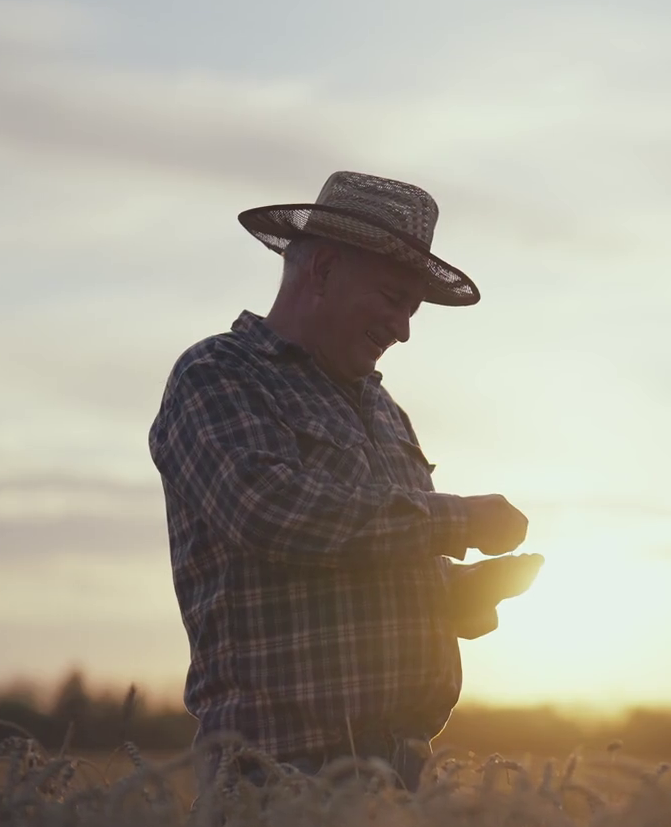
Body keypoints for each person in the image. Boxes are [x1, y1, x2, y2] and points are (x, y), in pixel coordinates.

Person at [149, 171, 542, 789]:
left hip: (402, 774)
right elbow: (270, 511)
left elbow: (369, 553)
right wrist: (459, 520)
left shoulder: (385, 411)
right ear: (324, 270)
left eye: (411, 309)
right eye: (391, 299)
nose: (404, 327)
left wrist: (461, 592)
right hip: (279, 775)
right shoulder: (219, 374)